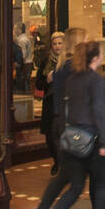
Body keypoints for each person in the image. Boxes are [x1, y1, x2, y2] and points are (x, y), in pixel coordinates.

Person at [26, 43, 105, 209]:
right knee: (101, 184)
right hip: (91, 139)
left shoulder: (72, 79)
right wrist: (104, 142)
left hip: (70, 138)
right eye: (101, 54)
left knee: (75, 186)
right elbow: (98, 113)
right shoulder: (95, 81)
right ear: (95, 58)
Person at [37, 31, 67, 175]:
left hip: (65, 104)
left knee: (64, 135)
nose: (57, 46)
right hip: (50, 104)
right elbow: (38, 84)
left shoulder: (68, 61)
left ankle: (64, 165)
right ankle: (57, 161)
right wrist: (47, 80)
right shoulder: (45, 62)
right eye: (54, 44)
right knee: (50, 137)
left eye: (60, 43)